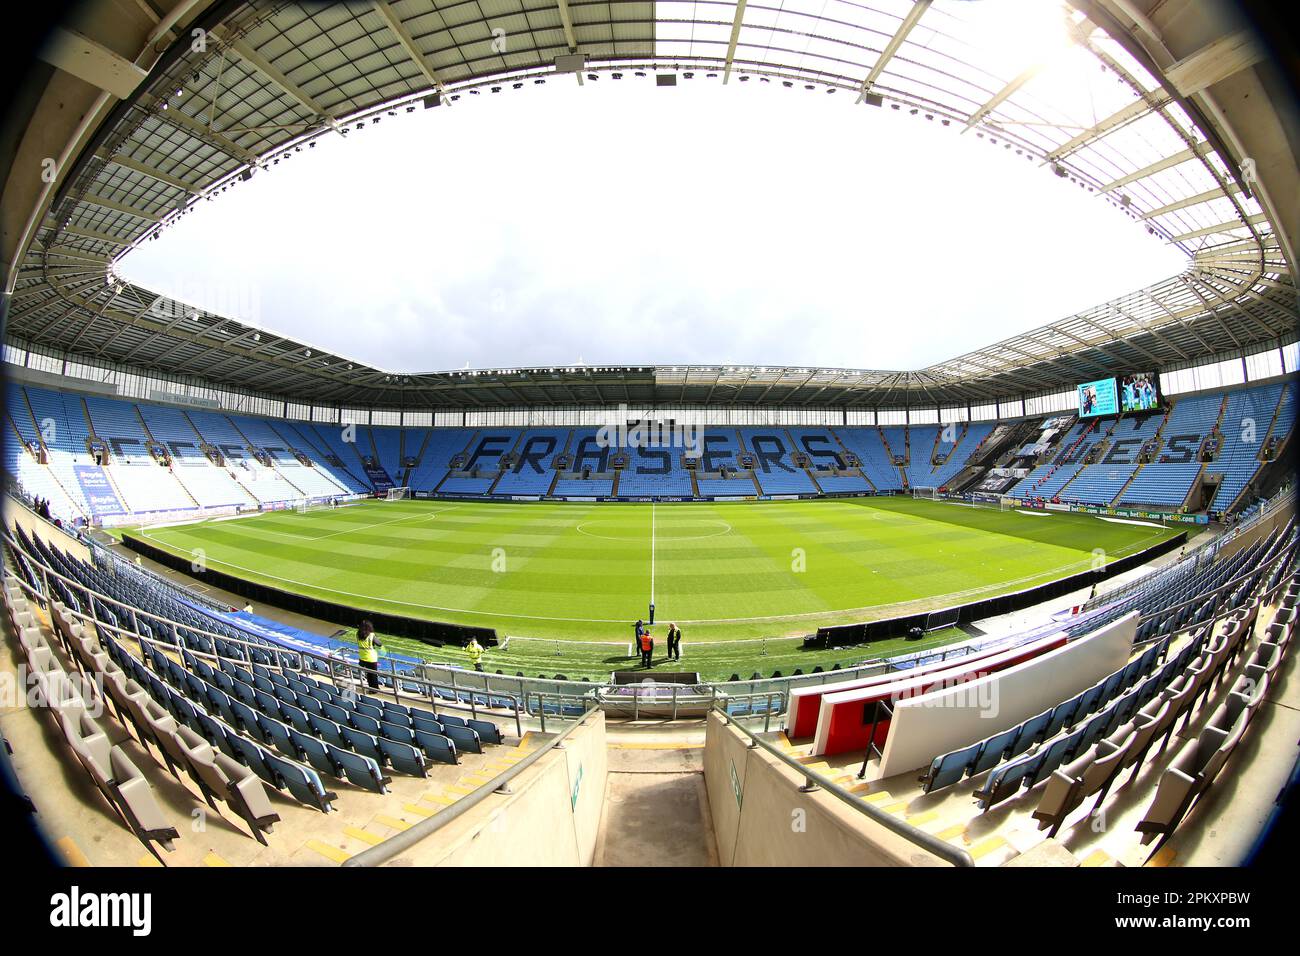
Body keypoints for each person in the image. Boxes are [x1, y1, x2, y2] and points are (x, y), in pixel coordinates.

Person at [356, 620, 383, 689]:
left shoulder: (357, 634)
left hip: (362, 658)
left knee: (368, 674)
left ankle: (370, 688)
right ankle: (374, 689)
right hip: (371, 658)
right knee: (373, 675)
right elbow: (379, 644)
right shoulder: (371, 635)